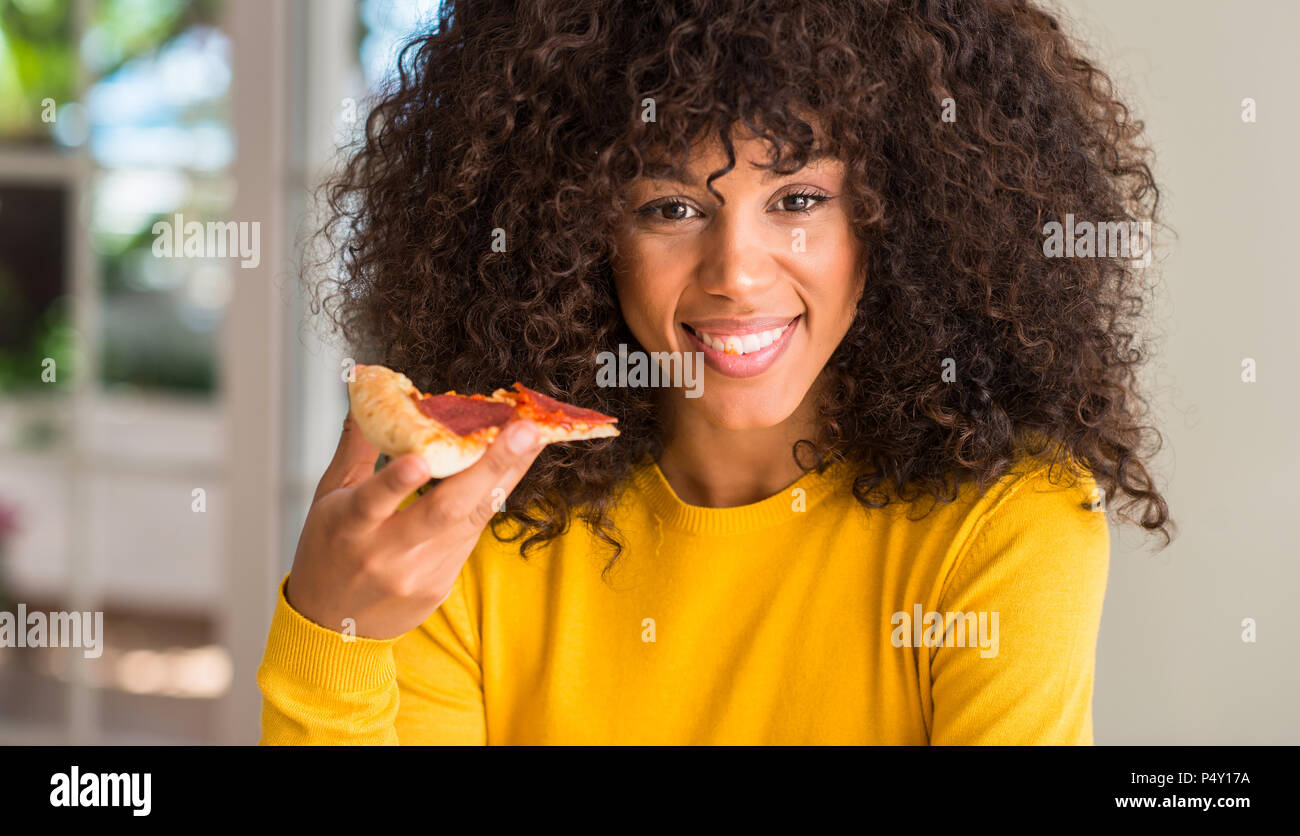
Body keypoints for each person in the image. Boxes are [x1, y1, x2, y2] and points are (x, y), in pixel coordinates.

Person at [257, 0, 1174, 744]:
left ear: (899, 220)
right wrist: (333, 631)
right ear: (579, 233)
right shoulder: (475, 520)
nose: (736, 273)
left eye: (800, 199)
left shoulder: (1006, 525)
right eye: (670, 206)